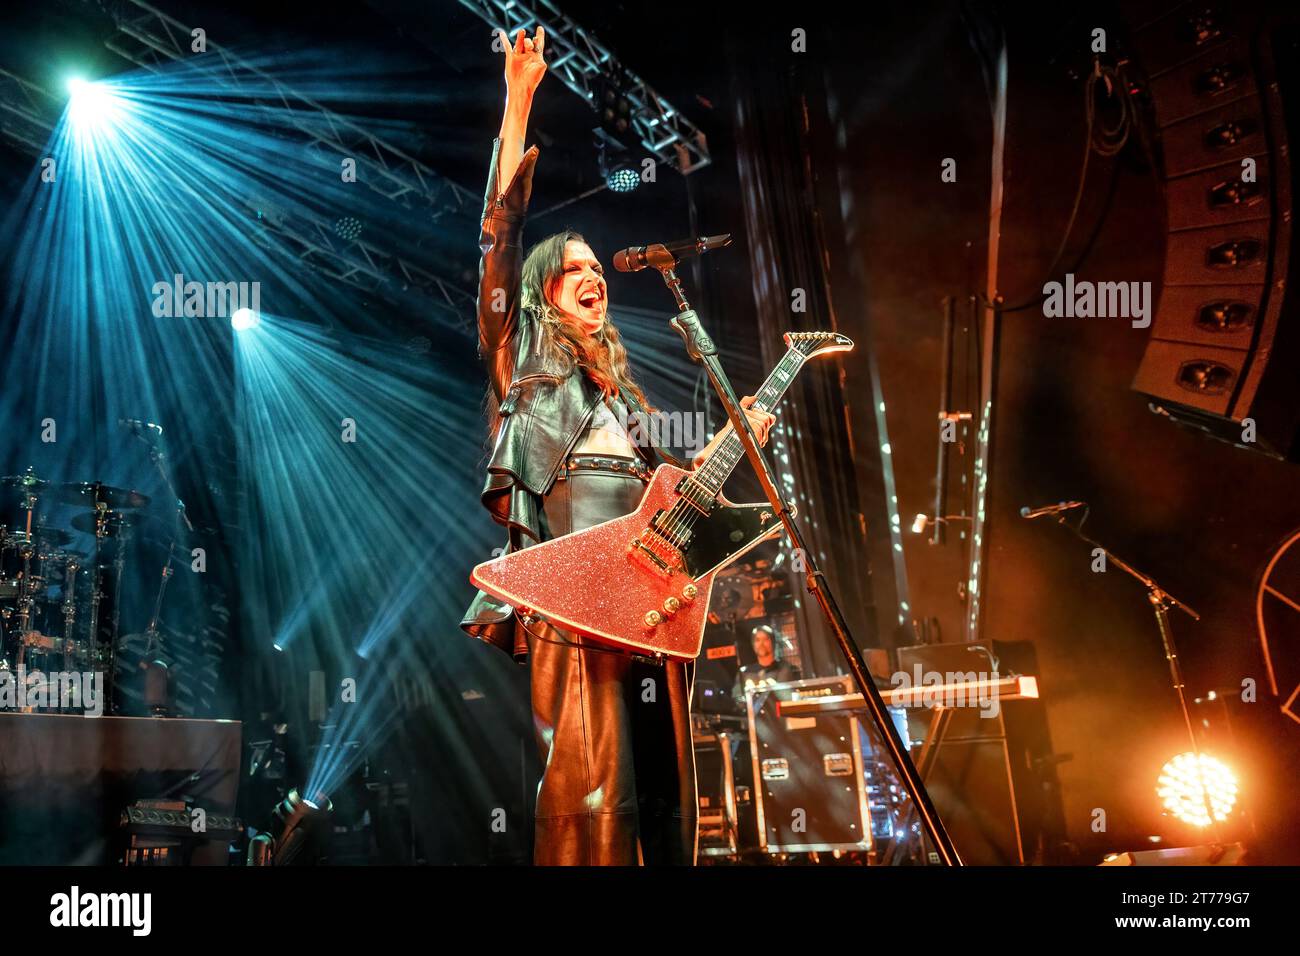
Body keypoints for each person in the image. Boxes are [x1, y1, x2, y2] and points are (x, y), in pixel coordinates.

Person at [459, 26, 776, 866]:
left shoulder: (620, 400)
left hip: (643, 588)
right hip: (568, 583)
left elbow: (669, 508)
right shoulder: (519, 355)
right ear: (541, 296)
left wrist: (738, 441)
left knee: (665, 775)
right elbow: (499, 233)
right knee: (591, 776)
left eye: (598, 265)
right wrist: (519, 97)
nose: (593, 273)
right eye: (572, 268)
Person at [732, 624, 801, 706]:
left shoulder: (784, 668)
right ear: (753, 644)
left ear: (772, 642)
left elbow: (787, 697)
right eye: (757, 640)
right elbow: (737, 700)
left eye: (765, 639)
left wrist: (772, 686)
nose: (761, 644)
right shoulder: (744, 672)